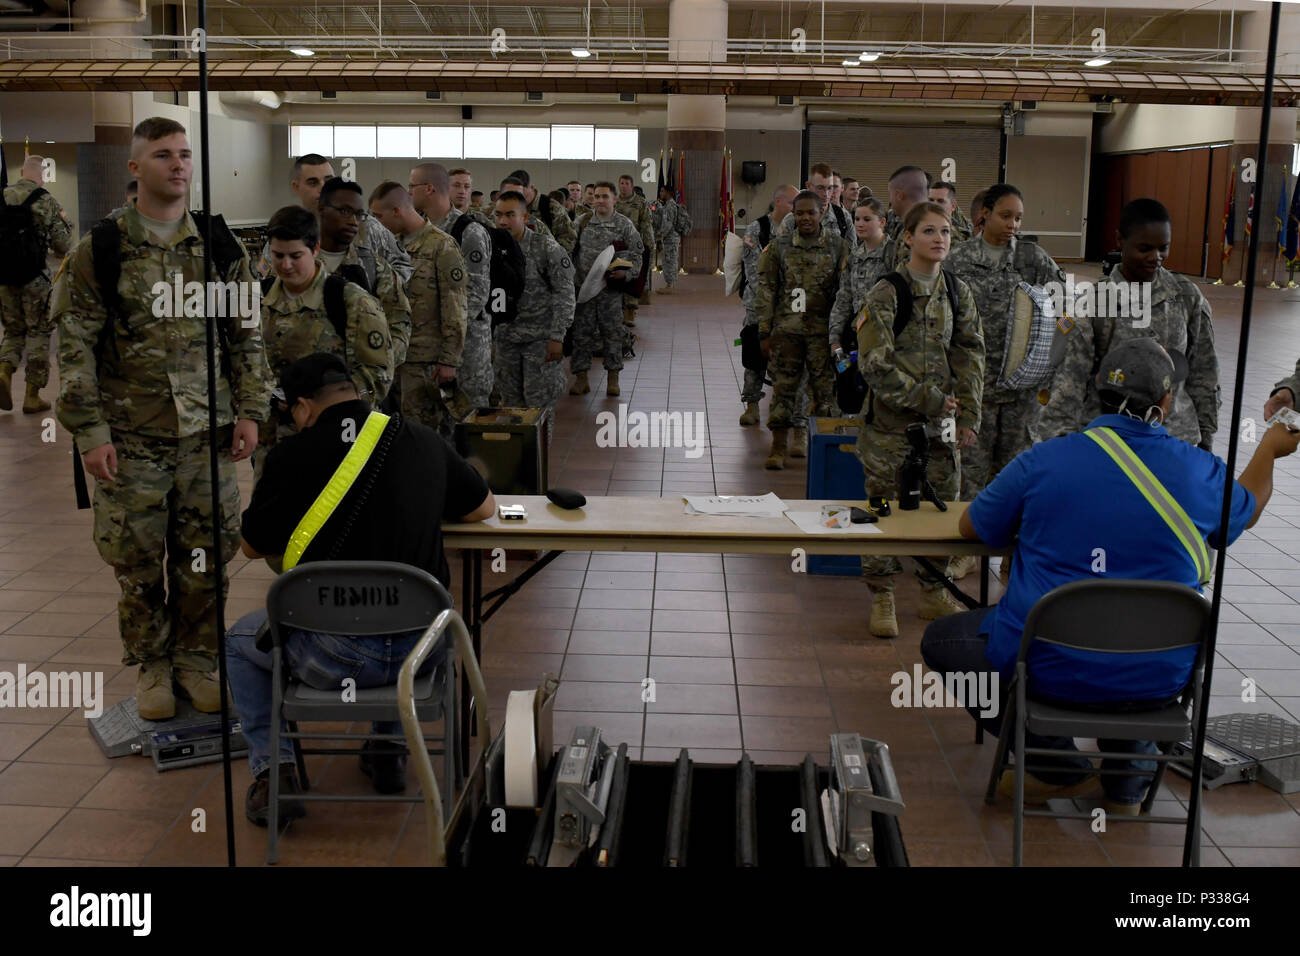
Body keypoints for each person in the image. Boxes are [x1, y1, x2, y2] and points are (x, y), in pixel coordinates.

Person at [922, 338, 1299, 812]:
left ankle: (1059, 770)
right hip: (1160, 674)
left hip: (1049, 667)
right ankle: (1125, 786)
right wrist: (1268, 449)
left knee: (942, 640)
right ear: (1165, 404)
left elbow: (970, 526)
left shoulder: (1044, 460)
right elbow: (1248, 510)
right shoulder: (1201, 472)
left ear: (1096, 394)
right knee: (1135, 652)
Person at [53, 116, 272, 720]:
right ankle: (152, 664)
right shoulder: (101, 250)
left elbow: (246, 336)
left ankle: (197, 659)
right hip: (132, 438)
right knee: (138, 560)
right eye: (162, 155)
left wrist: (251, 411)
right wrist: (89, 433)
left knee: (206, 555)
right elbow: (74, 347)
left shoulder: (220, 246)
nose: (178, 165)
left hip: (207, 438)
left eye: (184, 154)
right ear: (135, 167)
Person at [227, 352, 495, 822]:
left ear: (304, 407)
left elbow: (251, 547)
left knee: (238, 641)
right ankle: (389, 750)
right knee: (396, 603)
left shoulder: (291, 457)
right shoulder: (424, 441)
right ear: (354, 392)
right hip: (423, 650)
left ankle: (276, 773)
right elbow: (483, 508)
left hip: (331, 655)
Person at [854, 200, 984, 637]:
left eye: (945, 231)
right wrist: (926, 400)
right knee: (882, 508)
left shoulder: (956, 291)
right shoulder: (887, 292)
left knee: (942, 509)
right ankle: (883, 596)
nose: (939, 239)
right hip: (891, 427)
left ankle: (933, 592)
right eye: (929, 231)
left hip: (942, 429)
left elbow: (969, 353)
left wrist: (970, 414)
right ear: (908, 237)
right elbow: (873, 363)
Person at [945, 184, 1066, 582]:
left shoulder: (1034, 260)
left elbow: (1064, 308)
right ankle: (967, 552)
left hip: (1021, 391)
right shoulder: (958, 260)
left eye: (1018, 218)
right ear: (984, 215)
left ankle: (1016, 555)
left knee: (1018, 475)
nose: (1012, 224)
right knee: (971, 474)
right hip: (974, 389)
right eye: (1005, 216)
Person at [1033, 198, 1219, 451]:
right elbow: (1069, 385)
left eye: (1163, 248)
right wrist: (1059, 451)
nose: (1156, 257)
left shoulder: (1186, 296)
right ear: (1120, 240)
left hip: (1174, 441)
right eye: (1145, 248)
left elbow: (1203, 372)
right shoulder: (1093, 304)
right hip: (1110, 444)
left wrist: (1206, 438)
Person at [259, 205, 393, 458]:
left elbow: (377, 375)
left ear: (315, 249)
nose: (286, 265)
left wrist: (326, 406)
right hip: (271, 443)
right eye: (278, 256)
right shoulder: (259, 299)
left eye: (295, 256)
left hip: (333, 441)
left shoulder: (349, 301)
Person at [755, 189, 849, 470]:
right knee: (784, 389)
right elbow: (767, 288)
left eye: (811, 212)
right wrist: (764, 330)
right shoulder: (780, 246)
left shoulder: (838, 246)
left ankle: (825, 449)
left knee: (825, 393)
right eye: (799, 213)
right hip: (788, 332)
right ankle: (778, 446)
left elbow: (846, 291)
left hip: (823, 334)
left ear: (822, 213)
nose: (805, 218)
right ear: (792, 215)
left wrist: (841, 333)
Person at [368, 181, 469, 436]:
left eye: (379, 217)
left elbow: (455, 307)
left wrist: (449, 360)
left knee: (424, 433)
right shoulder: (391, 246)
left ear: (397, 211)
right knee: (397, 433)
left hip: (426, 360)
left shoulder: (441, 246)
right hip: (396, 356)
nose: (376, 224)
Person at [405, 164, 490, 408]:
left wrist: (450, 345)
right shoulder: (419, 229)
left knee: (467, 421)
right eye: (457, 185)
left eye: (412, 186)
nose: (409, 192)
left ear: (429, 189)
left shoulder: (469, 232)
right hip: (430, 348)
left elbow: (475, 293)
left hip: (466, 350)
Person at [493, 190, 575, 442]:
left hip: (539, 340)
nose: (503, 221)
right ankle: (518, 465)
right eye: (498, 214)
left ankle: (539, 466)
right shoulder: (491, 246)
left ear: (525, 216)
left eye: (510, 214)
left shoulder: (545, 248)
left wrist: (557, 336)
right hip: (506, 340)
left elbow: (564, 293)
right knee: (511, 406)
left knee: (538, 406)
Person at [262, 154, 413, 283]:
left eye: (328, 180)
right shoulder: (285, 231)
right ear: (296, 187)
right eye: (313, 182)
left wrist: (376, 294)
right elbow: (265, 283)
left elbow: (403, 265)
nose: (323, 188)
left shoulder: (365, 226)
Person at [315, 177, 412, 372]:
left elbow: (400, 320)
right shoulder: (294, 260)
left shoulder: (372, 265)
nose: (353, 222)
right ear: (322, 210)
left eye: (359, 215)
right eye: (344, 211)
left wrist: (380, 365)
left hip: (361, 388)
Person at [0, 154, 72, 414]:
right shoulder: (46, 201)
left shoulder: (2, 197)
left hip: (5, 278)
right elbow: (64, 246)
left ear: (21, 172)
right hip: (35, 279)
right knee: (39, 333)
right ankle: (32, 396)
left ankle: (4, 372)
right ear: (42, 175)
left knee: (13, 330)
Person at [569, 181, 643, 398]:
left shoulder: (624, 225)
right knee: (581, 334)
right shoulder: (582, 222)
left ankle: (613, 379)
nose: (600, 200)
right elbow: (569, 250)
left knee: (611, 334)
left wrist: (625, 273)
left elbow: (637, 255)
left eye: (605, 197)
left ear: (614, 199)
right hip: (583, 290)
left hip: (610, 292)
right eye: (597, 196)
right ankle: (581, 378)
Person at [738, 184, 796, 426]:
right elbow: (754, 272)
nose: (796, 209)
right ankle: (751, 405)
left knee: (786, 356)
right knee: (754, 353)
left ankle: (783, 408)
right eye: (792, 203)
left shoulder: (796, 230)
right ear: (779, 202)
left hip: (786, 305)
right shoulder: (757, 228)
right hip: (758, 305)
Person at [828, 197, 890, 354]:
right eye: (857, 219)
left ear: (882, 222)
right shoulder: (854, 257)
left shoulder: (893, 253)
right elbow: (844, 298)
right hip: (857, 334)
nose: (860, 224)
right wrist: (835, 338)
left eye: (867, 219)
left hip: (886, 336)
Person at [506, 168, 576, 255]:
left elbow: (569, 238)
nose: (516, 198)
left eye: (520, 193)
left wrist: (552, 258)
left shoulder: (551, 208)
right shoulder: (511, 207)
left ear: (531, 187)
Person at [780, 163, 852, 244]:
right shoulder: (792, 219)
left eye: (830, 188)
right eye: (820, 188)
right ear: (808, 186)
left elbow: (852, 252)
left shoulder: (843, 217)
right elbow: (779, 252)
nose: (826, 194)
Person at [615, 174, 655, 322]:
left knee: (631, 277)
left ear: (631, 186)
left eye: (626, 183)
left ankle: (630, 311)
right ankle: (618, 310)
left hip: (634, 246)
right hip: (617, 245)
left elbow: (646, 225)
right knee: (616, 276)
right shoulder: (614, 202)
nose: (623, 186)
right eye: (621, 183)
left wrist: (648, 246)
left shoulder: (640, 203)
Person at [880, 165, 930, 272]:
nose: (890, 201)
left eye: (890, 194)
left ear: (899, 195)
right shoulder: (907, 226)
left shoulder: (920, 229)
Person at [653, 184, 681, 294]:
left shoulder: (670, 206)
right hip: (671, 238)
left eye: (662, 191)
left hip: (670, 238)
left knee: (669, 261)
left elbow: (668, 224)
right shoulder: (669, 205)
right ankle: (671, 284)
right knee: (671, 260)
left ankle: (670, 285)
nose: (660, 193)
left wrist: (659, 236)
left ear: (668, 192)